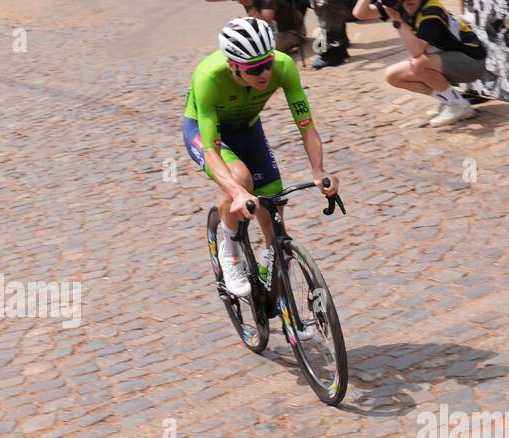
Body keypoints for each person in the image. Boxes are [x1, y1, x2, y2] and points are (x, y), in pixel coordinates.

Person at [182, 17, 339, 299]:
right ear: (232, 66)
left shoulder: (283, 66)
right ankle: (230, 255)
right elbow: (211, 149)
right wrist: (237, 193)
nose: (264, 72)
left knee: (274, 209)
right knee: (240, 179)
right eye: (254, 68)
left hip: (247, 127)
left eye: (267, 62)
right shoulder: (208, 77)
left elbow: (307, 126)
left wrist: (319, 170)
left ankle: (275, 291)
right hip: (206, 131)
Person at [351, 0, 489, 128]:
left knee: (419, 64)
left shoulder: (431, 12)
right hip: (445, 60)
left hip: (471, 62)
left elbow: (416, 51)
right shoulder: (398, 5)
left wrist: (397, 20)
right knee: (393, 76)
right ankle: (450, 100)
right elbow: (360, 14)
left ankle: (458, 104)